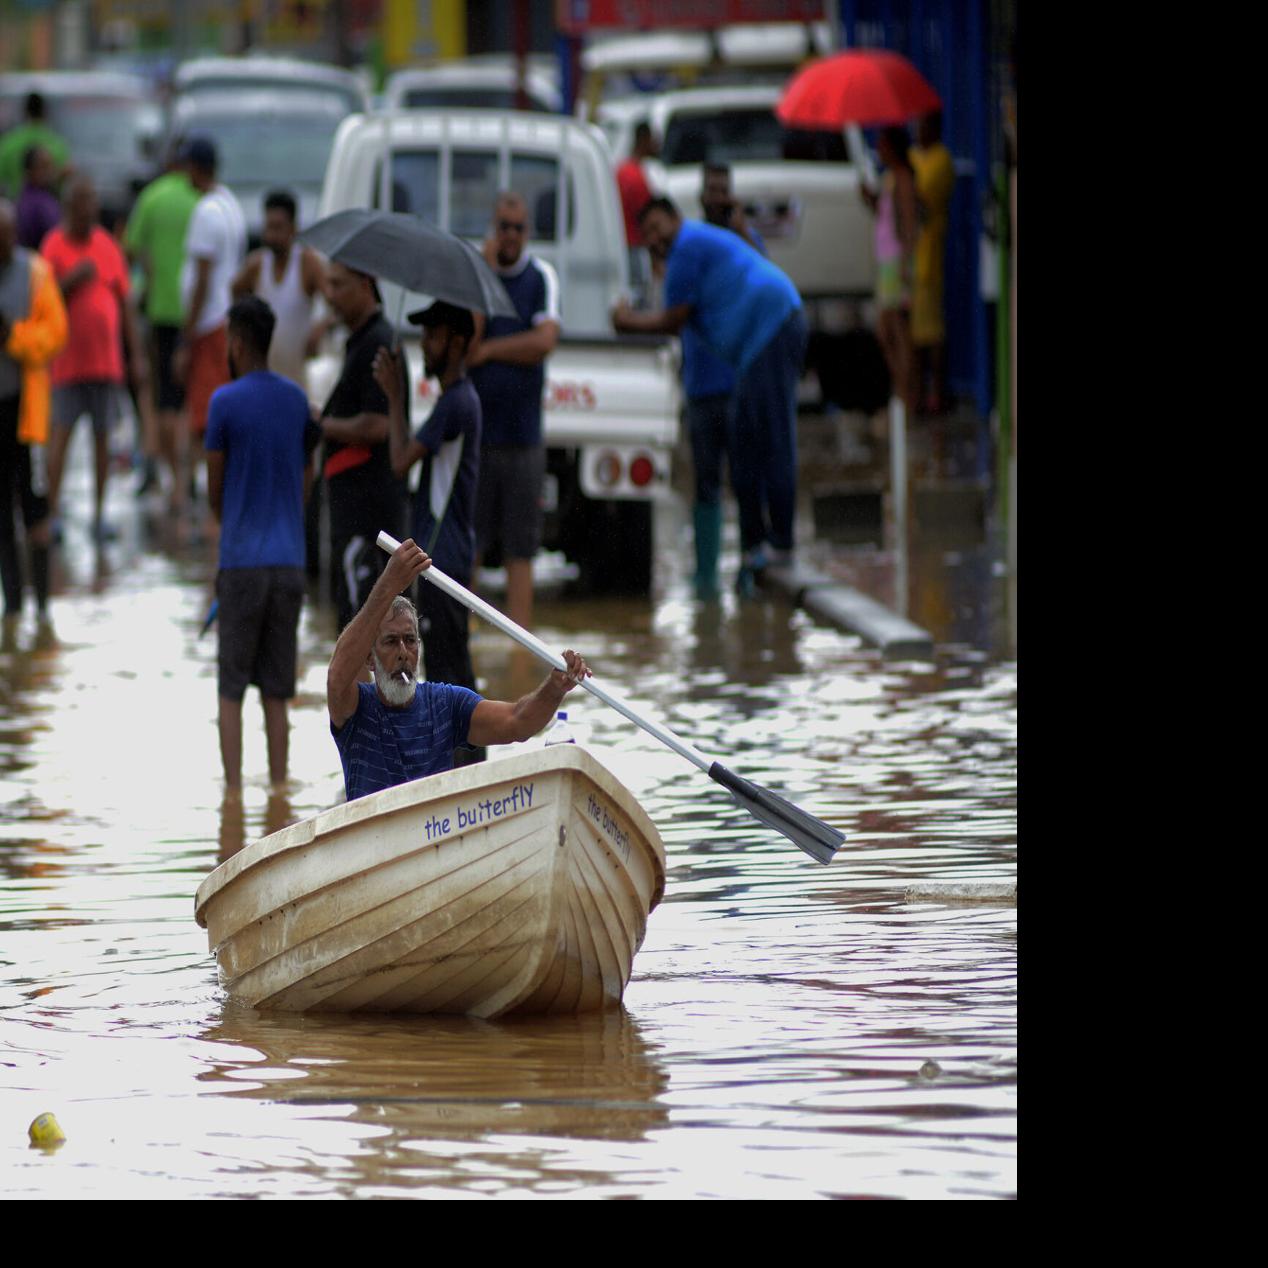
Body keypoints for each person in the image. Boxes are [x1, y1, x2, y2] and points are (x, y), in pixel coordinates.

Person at [612, 196, 806, 596]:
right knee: (749, 448)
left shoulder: (685, 246)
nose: (654, 239)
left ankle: (780, 543)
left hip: (771, 326)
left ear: (675, 219)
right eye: (647, 235)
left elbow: (672, 321)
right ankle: (756, 548)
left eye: (657, 228)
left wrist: (625, 321)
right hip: (761, 338)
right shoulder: (692, 245)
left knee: (771, 441)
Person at [327, 535, 591, 803]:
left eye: (410, 641)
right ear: (370, 659)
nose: (403, 653)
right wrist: (389, 584)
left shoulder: (444, 703)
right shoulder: (356, 708)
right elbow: (337, 677)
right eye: (390, 642)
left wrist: (554, 688)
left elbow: (517, 722)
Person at [205, 296, 320, 792]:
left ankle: (232, 799)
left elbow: (213, 488)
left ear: (236, 343)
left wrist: (232, 521)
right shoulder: (297, 401)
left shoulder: (223, 402)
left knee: (231, 690)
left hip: (242, 563)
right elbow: (307, 475)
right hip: (289, 563)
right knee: (277, 691)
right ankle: (278, 795)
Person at [372, 302, 482, 714]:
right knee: (452, 670)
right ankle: (467, 752)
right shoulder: (455, 400)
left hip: (443, 557)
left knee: (451, 677)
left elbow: (400, 461)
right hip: (448, 554)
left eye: (433, 336)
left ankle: (468, 753)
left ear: (457, 343)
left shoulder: (457, 402)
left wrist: (394, 396)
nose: (424, 345)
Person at [467, 191, 560, 631]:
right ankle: (462, 636)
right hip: (478, 438)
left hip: (524, 439)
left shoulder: (540, 277)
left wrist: (492, 351)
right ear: (493, 228)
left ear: (528, 232)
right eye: (503, 226)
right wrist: (483, 278)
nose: (509, 235)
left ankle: (520, 647)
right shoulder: (476, 276)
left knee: (521, 550)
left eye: (518, 228)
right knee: (470, 545)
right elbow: (467, 346)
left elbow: (544, 341)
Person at [40, 174, 146, 543]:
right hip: (67, 363)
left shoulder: (107, 245)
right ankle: (52, 514)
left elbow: (125, 302)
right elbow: (43, 300)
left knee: (104, 440)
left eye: (92, 203)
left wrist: (135, 355)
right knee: (61, 438)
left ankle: (100, 516)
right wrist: (71, 279)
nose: (89, 210)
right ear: (69, 207)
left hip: (105, 362)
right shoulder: (54, 245)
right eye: (82, 203)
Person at [681, 163, 767, 599]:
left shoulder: (746, 243)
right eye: (711, 190)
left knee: (747, 478)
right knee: (705, 481)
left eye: (723, 191)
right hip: (701, 385)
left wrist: (741, 230)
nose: (717, 198)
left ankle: (752, 564)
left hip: (740, 383)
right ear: (701, 196)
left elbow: (765, 281)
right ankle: (705, 576)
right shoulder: (691, 244)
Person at [317, 260, 404, 632]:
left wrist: (321, 425)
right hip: (352, 512)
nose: (330, 296)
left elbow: (377, 425)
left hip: (367, 520)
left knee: (363, 630)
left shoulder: (377, 343)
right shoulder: (360, 340)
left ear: (366, 285)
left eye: (339, 286)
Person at [0, 198, 67, 636]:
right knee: (2, 515)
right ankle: (13, 608)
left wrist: (13, 336)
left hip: (27, 416)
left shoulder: (36, 273)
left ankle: (42, 610)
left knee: (35, 511)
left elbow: (55, 333)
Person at [124, 140, 200, 510]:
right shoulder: (201, 199)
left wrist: (152, 273)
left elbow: (132, 247)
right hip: (198, 315)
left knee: (164, 400)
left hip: (161, 313)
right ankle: (188, 478)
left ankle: (173, 478)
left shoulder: (152, 198)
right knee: (192, 400)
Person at [175, 136, 247, 479]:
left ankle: (204, 487)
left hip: (207, 323)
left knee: (203, 414)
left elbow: (202, 280)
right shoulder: (229, 203)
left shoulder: (205, 212)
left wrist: (186, 337)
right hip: (224, 318)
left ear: (194, 167)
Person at [231, 189, 325, 392]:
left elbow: (335, 301)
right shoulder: (256, 264)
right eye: (268, 227)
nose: (271, 235)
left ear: (293, 228)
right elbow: (233, 293)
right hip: (263, 375)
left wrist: (320, 327)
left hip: (297, 376)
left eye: (278, 227)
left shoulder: (307, 263)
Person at [860, 125, 919, 417]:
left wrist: (907, 266)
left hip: (896, 264)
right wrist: (870, 199)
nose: (879, 150)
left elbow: (908, 224)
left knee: (895, 331)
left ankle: (905, 395)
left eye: (883, 145)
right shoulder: (890, 179)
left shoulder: (903, 179)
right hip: (887, 262)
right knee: (889, 332)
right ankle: (902, 392)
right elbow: (885, 217)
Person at [910, 111, 955, 415]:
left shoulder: (941, 161)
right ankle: (917, 392)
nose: (918, 130)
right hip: (908, 258)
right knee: (913, 332)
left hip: (929, 257)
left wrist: (905, 180)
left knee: (932, 332)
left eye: (923, 125)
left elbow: (922, 201)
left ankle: (937, 392)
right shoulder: (914, 157)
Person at [0, 93, 69, 202]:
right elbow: (66, 174)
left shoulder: (9, 143)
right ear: (45, 112)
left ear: (25, 112)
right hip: (49, 206)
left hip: (15, 205)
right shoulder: (57, 144)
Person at [616, 121, 658, 301]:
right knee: (639, 297)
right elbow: (647, 219)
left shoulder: (622, 171)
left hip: (622, 244)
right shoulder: (636, 177)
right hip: (635, 246)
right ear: (644, 139)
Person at [15, 145, 61, 251]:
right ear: (29, 171)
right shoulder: (37, 204)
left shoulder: (45, 196)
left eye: (51, 166)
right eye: (44, 167)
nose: (50, 171)